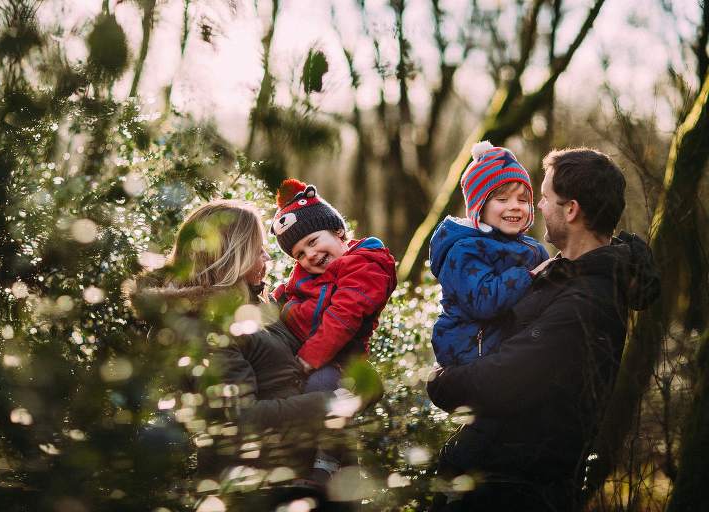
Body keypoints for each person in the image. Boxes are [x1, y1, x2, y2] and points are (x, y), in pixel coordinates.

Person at [426, 148, 660, 511]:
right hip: (492, 475)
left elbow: (505, 378)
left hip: (516, 490)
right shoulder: (560, 272)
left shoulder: (588, 299)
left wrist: (439, 381)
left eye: (545, 198)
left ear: (572, 210)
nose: (538, 208)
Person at [128, 200, 373, 500]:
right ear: (234, 256)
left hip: (321, 485)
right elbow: (238, 419)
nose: (267, 257)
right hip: (266, 488)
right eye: (258, 250)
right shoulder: (205, 324)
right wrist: (331, 403)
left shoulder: (262, 308)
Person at [270, 179, 397, 393]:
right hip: (294, 343)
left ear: (338, 231)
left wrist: (308, 359)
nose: (310, 254)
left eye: (313, 241)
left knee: (317, 387)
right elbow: (287, 293)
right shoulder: (310, 269)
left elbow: (343, 316)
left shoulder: (365, 266)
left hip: (337, 361)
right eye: (299, 254)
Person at [430, 141, 549, 367]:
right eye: (502, 199)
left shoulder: (532, 248)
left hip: (511, 348)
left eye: (523, 200)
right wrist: (529, 275)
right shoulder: (464, 249)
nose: (515, 206)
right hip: (470, 350)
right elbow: (483, 300)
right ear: (479, 206)